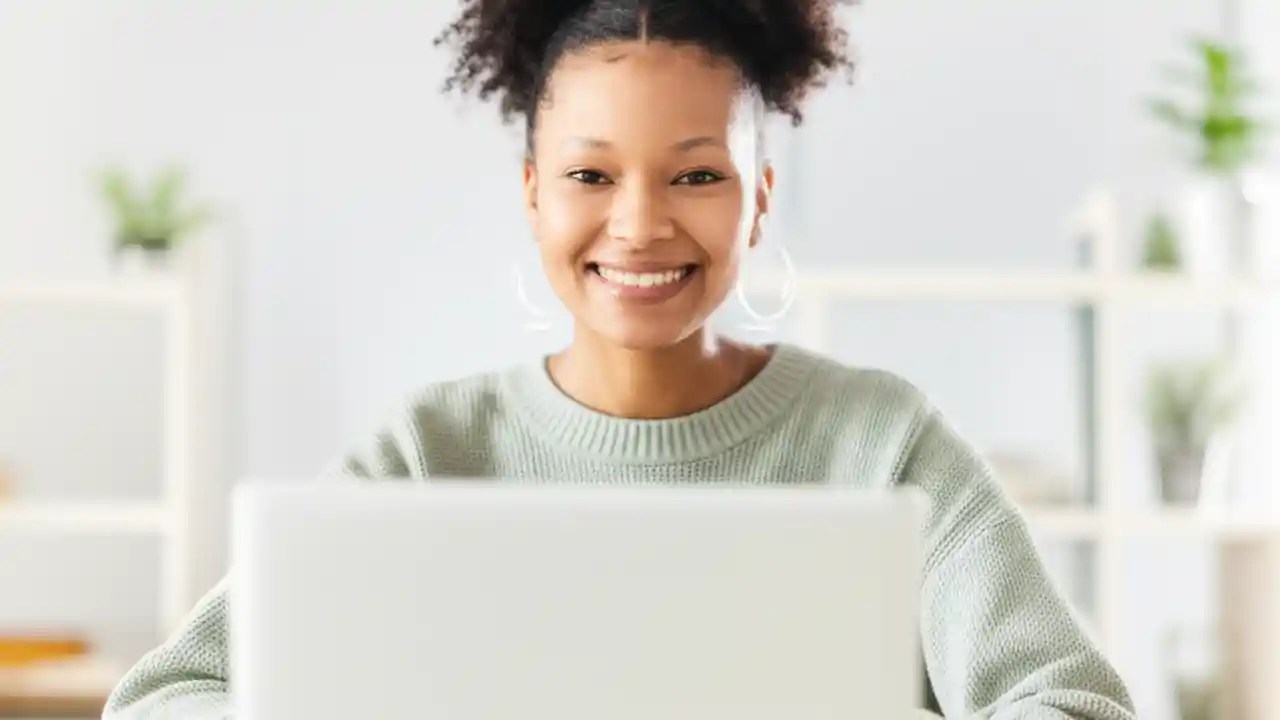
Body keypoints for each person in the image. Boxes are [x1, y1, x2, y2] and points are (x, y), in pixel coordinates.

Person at [103, 1, 1136, 717]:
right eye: (590, 173)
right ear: (532, 194)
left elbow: (1072, 705)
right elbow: (163, 699)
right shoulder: (427, 453)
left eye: (694, 176)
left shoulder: (880, 442)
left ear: (757, 199)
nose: (638, 225)